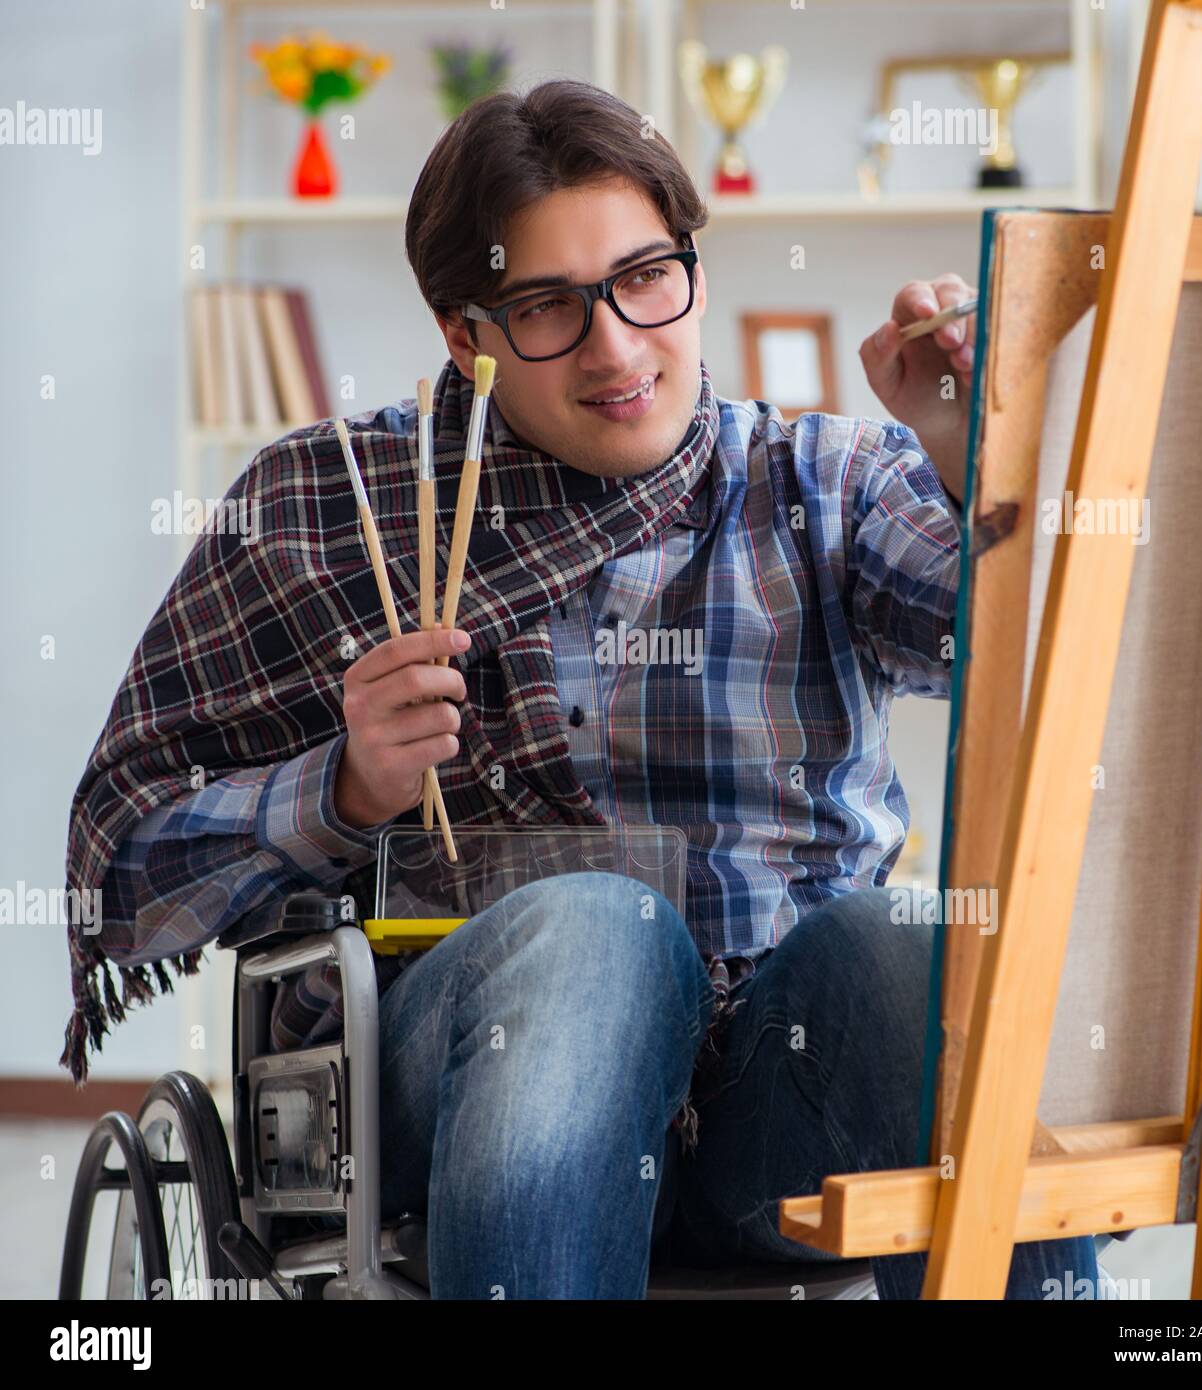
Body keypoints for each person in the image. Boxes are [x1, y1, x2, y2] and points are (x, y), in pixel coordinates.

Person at [62, 78, 1099, 1299]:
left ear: (692, 261)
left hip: (777, 1103)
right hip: (467, 1085)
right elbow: (123, 862)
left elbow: (1053, 671)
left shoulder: (833, 479)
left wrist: (969, 451)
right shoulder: (324, 506)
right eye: (548, 306)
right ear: (466, 333)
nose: (617, 347)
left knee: (907, 940)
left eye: (647, 277)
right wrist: (338, 790)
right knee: (597, 928)